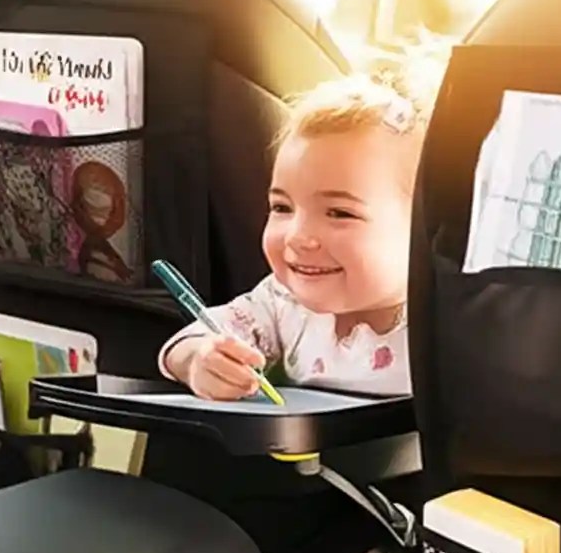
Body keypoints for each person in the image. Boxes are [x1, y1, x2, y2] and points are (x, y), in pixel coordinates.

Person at [157, 73, 430, 400]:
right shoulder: (282, 301)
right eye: (282, 207)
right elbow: (189, 342)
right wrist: (200, 361)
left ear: (427, 226)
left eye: (340, 213)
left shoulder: (444, 321)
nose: (298, 237)